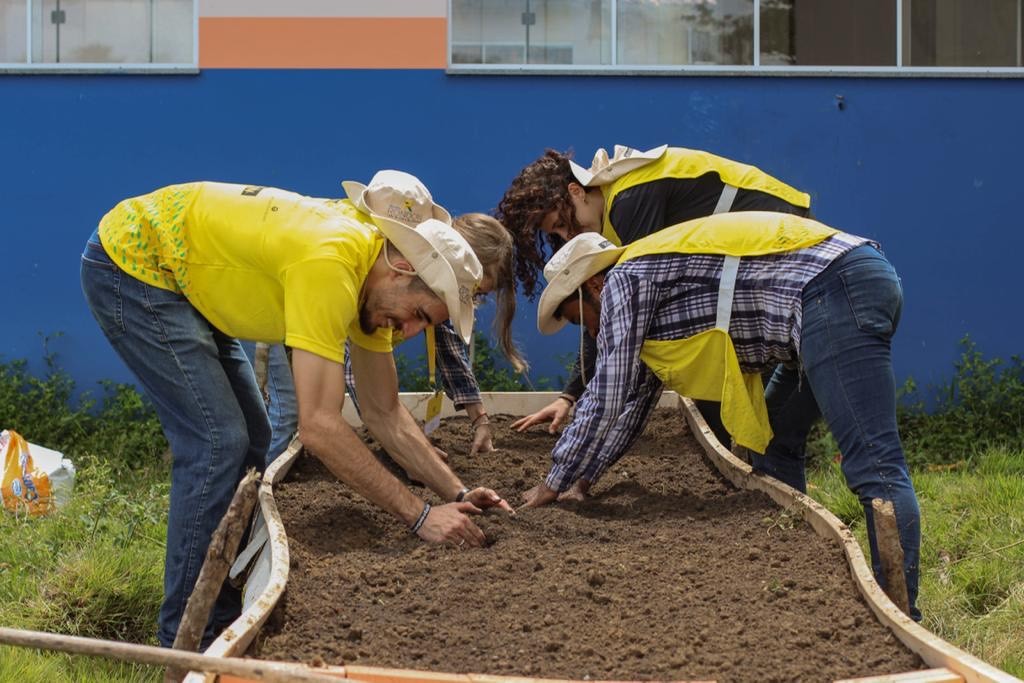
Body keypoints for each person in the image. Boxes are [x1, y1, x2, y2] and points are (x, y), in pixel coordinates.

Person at [80, 177, 513, 648]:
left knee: (255, 438)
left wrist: (458, 490)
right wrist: (420, 515)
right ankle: (186, 642)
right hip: (138, 263)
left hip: (189, 276)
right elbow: (321, 427)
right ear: (402, 267)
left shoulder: (375, 277)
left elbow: (383, 412)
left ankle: (220, 613)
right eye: (418, 316)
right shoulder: (331, 263)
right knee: (218, 441)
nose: (407, 331)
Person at [519, 212, 922, 620]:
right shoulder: (642, 289)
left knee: (876, 466)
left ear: (593, 285)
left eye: (577, 319)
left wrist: (555, 479)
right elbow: (633, 406)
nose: (589, 333)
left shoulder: (625, 279)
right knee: (776, 437)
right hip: (836, 287)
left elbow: (607, 391)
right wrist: (585, 475)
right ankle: (792, 575)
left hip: (833, 288)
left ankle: (901, 618)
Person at [496, 144, 811, 443]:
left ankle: (748, 451)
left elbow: (623, 315)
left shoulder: (629, 202)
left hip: (781, 235)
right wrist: (570, 395)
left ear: (575, 192)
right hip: (765, 240)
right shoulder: (618, 204)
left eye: (563, 224)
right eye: (556, 234)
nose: (567, 236)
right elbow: (607, 313)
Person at [248, 209, 527, 464]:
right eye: (472, 290)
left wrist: (479, 419)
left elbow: (450, 346)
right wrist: (401, 448)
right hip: (290, 322)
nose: (468, 300)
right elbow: (358, 374)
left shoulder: (433, 282)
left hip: (321, 334)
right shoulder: (401, 275)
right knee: (287, 418)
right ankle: (257, 491)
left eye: (477, 295)